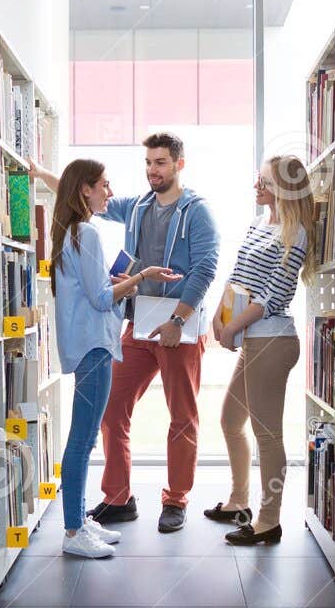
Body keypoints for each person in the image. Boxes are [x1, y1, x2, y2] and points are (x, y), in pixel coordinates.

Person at [30, 132, 219, 534]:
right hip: (139, 323)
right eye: (149, 163)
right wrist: (43, 172)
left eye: (161, 163)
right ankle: (118, 498)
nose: (153, 170)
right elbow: (80, 195)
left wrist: (180, 320)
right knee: (112, 407)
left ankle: (176, 499)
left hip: (178, 326)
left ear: (179, 165)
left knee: (182, 417)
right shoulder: (137, 207)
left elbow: (205, 269)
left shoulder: (198, 211)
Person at [48, 159, 181, 558]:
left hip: (89, 345)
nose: (110, 191)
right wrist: (140, 278)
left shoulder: (71, 233)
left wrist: (114, 281)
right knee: (82, 440)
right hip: (94, 348)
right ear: (85, 190)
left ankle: (78, 522)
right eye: (104, 185)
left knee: (87, 438)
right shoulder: (85, 233)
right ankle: (73, 532)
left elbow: (93, 289)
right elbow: (102, 299)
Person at [204, 154, 317, 546]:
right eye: (258, 180)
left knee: (267, 434)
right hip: (254, 339)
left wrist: (234, 324)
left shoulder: (297, 231)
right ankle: (239, 502)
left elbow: (274, 295)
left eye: (265, 182)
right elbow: (237, 277)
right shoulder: (256, 224)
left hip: (273, 339)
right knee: (229, 420)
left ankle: (269, 521)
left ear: (283, 188)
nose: (257, 187)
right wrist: (218, 318)